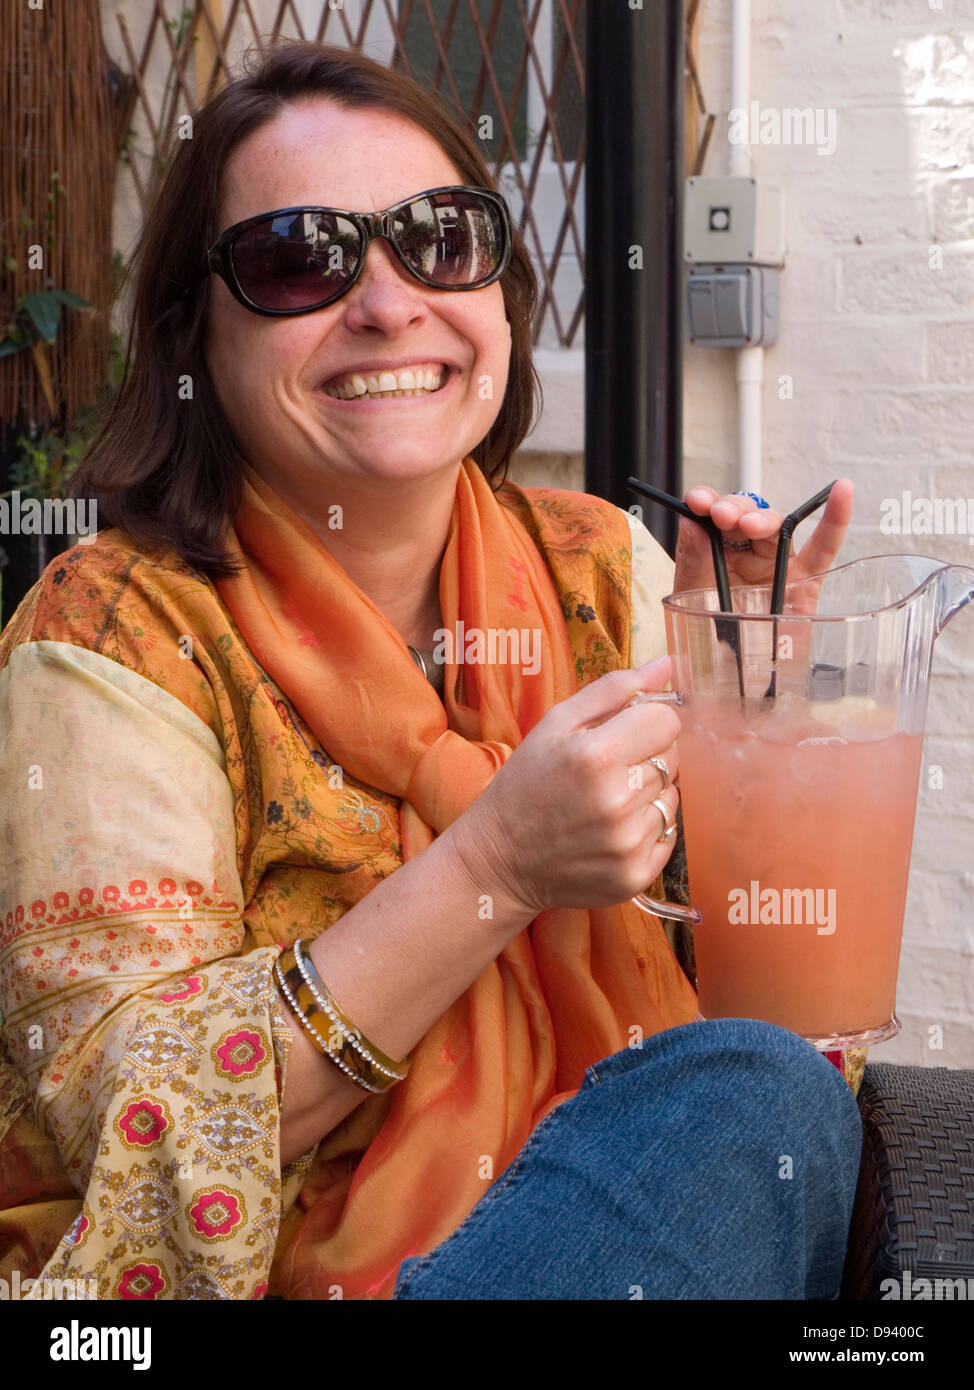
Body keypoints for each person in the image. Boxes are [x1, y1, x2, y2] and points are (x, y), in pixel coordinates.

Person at [0, 40, 861, 1302]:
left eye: (440, 240)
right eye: (301, 259)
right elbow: (145, 1130)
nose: (390, 304)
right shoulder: (109, 638)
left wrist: (758, 724)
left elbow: (781, 1008)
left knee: (752, 1107)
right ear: (197, 333)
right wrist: (495, 866)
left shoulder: (600, 569)